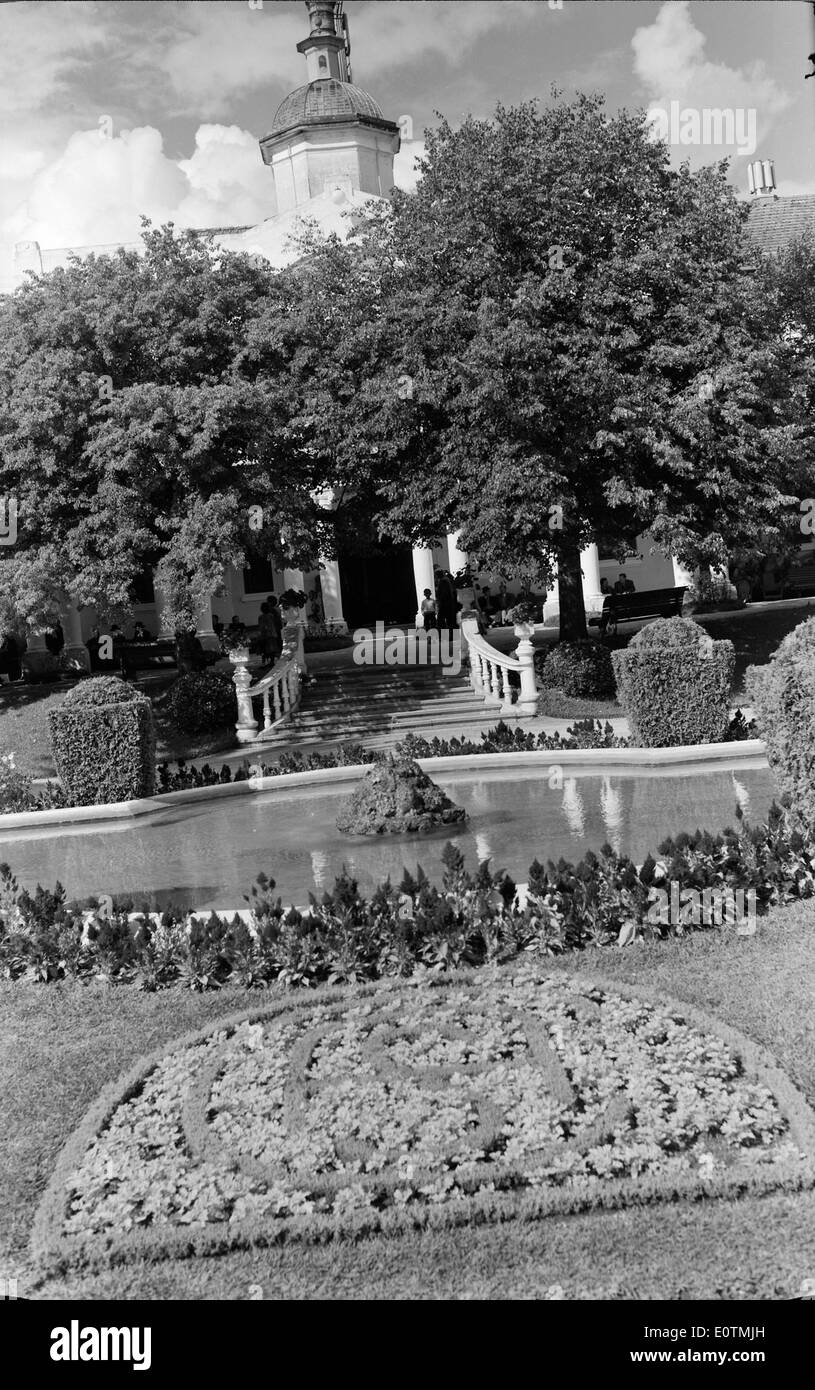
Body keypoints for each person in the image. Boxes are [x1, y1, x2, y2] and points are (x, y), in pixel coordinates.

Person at [435, 569, 457, 634]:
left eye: (436, 574)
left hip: (445, 604)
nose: (435, 576)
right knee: (448, 621)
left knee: (442, 621)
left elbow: (445, 593)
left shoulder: (443, 581)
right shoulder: (444, 580)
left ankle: (447, 636)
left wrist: (440, 602)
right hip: (447, 603)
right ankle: (449, 635)